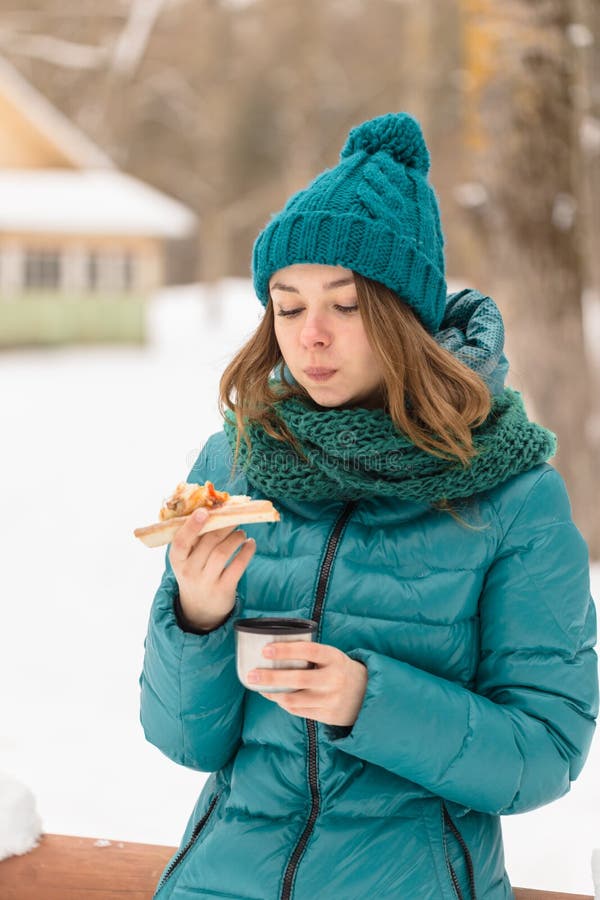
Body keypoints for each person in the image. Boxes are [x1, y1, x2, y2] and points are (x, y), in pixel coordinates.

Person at [139, 113, 598, 900]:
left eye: (345, 307)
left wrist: (368, 701)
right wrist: (199, 619)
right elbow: (187, 742)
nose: (310, 336)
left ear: (404, 316)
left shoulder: (512, 494)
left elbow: (545, 752)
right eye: (288, 307)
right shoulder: (238, 462)